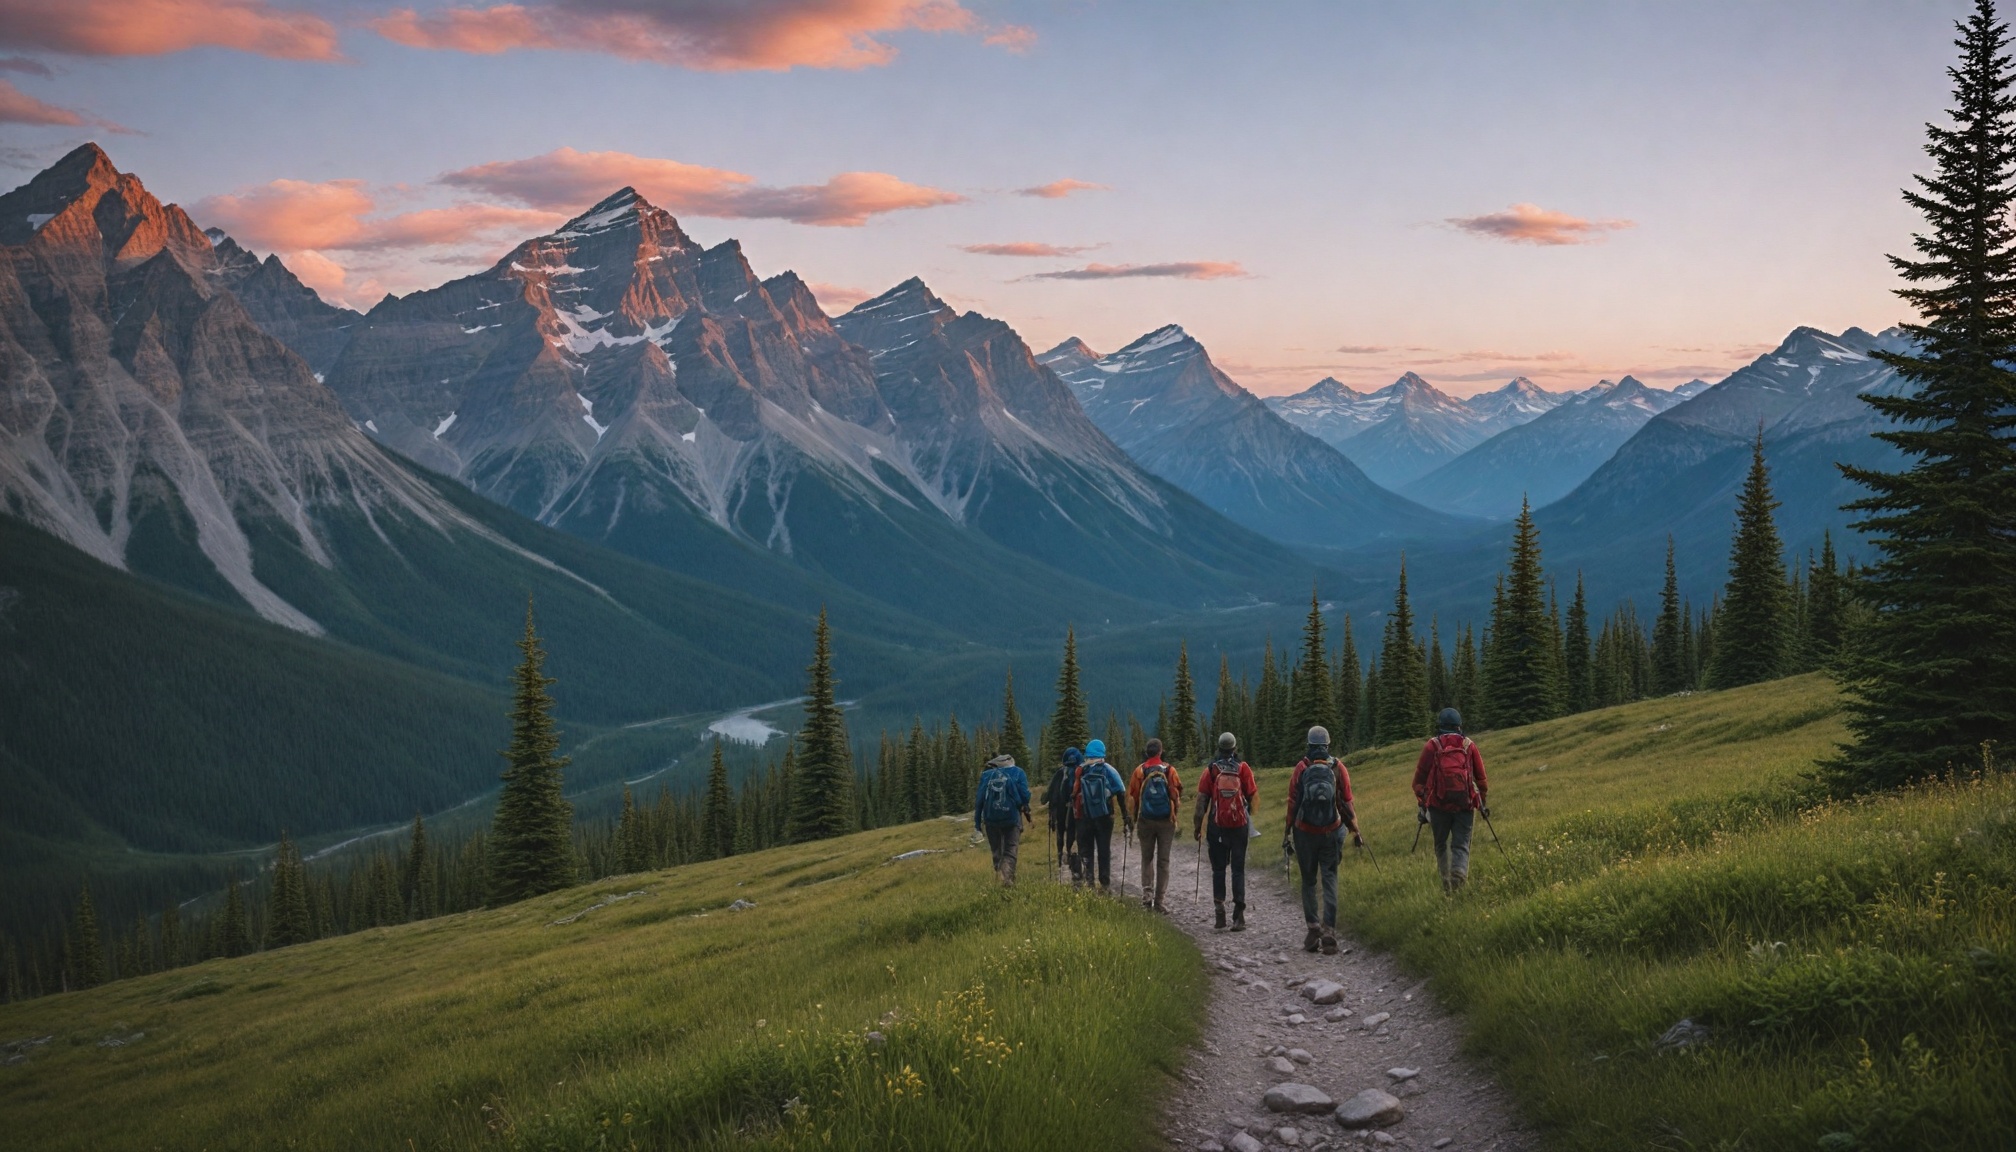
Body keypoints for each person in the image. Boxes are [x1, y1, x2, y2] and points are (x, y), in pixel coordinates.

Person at [1284, 725, 1360, 954]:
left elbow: (1292, 803)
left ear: (1309, 744)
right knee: (1330, 879)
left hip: (1305, 833)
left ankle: (1313, 928)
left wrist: (1287, 832)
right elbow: (1346, 802)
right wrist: (1355, 829)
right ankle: (1330, 932)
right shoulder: (1338, 768)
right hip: (1330, 832)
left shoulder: (1301, 768)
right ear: (1327, 745)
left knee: (1308, 881)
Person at [1413, 708, 1489, 893]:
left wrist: (1423, 804)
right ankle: (1459, 873)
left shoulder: (1432, 746)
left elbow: (1418, 781)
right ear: (1459, 725)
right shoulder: (1468, 745)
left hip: (1438, 806)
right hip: (1465, 805)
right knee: (1461, 843)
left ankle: (1446, 881)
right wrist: (1481, 802)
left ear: (1440, 726)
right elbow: (1481, 779)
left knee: (1440, 844)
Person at [1194, 732, 1257, 931]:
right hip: (1239, 827)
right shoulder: (1243, 768)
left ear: (1219, 748)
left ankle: (1219, 913)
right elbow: (1252, 795)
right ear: (1234, 748)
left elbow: (1201, 802)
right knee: (1238, 869)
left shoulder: (1211, 770)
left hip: (1217, 827)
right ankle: (1239, 917)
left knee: (1218, 869)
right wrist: (1247, 816)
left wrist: (1198, 828)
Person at [1127, 738, 1184, 912]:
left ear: (1147, 752)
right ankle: (1159, 901)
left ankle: (1147, 896)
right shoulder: (1170, 770)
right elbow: (1176, 794)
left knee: (1147, 858)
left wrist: (1134, 820)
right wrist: (1174, 812)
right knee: (1164, 860)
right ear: (1160, 752)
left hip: (1146, 821)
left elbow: (1132, 797)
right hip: (1166, 821)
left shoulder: (1139, 771)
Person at [1072, 739, 1131, 892]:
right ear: (1102, 753)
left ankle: (1089, 882)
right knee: (1104, 849)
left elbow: (1073, 793)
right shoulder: (1108, 769)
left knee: (1087, 849)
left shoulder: (1081, 770)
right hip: (1105, 816)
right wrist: (1125, 816)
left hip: (1086, 817)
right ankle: (1105, 884)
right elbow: (1120, 792)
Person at [975, 752, 1033, 886]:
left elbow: (979, 801)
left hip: (990, 820)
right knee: (1010, 850)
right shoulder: (1018, 772)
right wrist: (1025, 809)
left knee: (997, 852)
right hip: (1012, 818)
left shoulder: (986, 775)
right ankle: (1006, 880)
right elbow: (1025, 796)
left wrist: (977, 824)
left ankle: (1002, 877)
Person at [1046, 747, 1083, 883]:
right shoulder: (1081, 772)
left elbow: (1049, 795)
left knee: (1061, 836)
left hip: (1060, 812)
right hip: (1076, 811)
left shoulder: (1059, 773)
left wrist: (1051, 815)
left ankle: (1061, 861)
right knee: (1074, 838)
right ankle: (1076, 869)